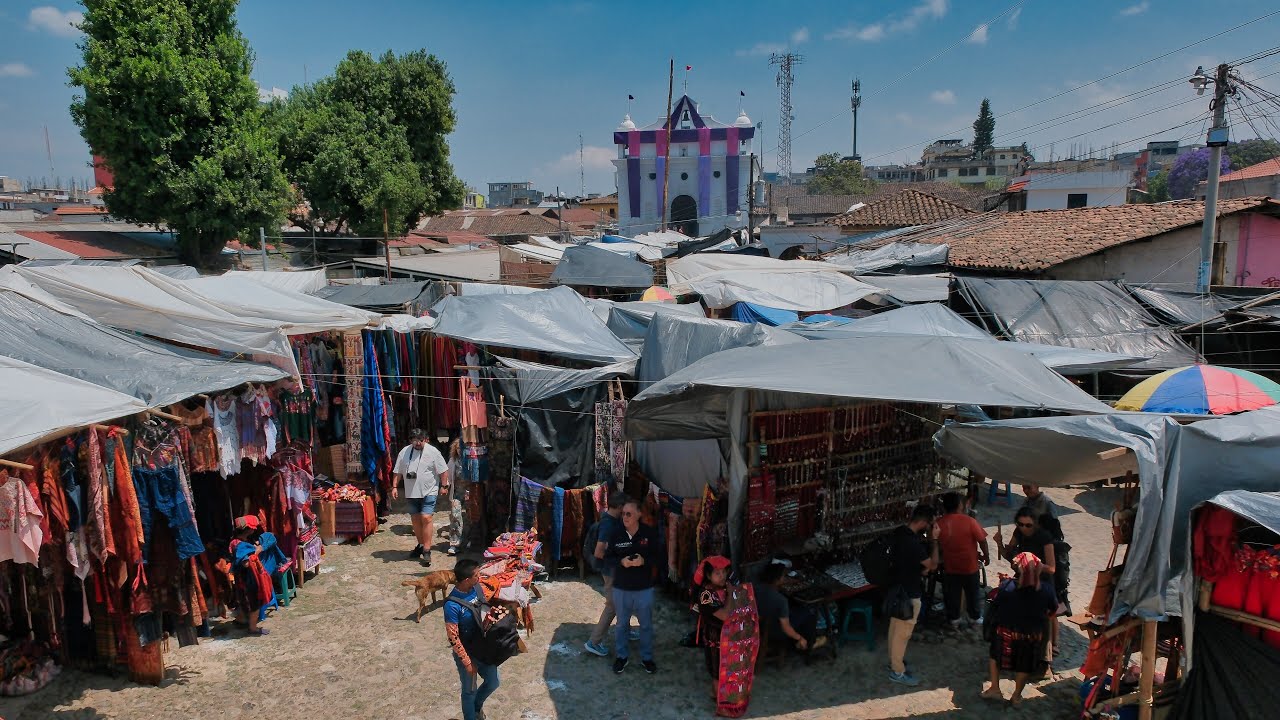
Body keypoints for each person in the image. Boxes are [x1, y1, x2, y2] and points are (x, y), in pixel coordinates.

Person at [981, 552, 1058, 706]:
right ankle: (1016, 696)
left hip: (1006, 633)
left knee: (995, 657)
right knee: (1025, 665)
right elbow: (1053, 610)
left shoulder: (1007, 587)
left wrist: (1003, 583)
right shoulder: (1046, 589)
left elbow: (998, 605)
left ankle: (995, 689)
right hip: (1031, 635)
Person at [605, 498, 660, 675]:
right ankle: (622, 657)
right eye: (623, 514)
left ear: (639, 515)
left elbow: (659, 558)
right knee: (621, 625)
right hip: (621, 588)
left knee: (645, 625)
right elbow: (607, 558)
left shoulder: (649, 533)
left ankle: (647, 658)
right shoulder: (615, 533)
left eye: (629, 514)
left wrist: (644, 561)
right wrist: (621, 561)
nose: (625, 517)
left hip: (644, 588)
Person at [886, 504, 939, 686]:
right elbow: (932, 565)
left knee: (894, 630)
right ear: (924, 522)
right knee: (903, 634)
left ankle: (894, 662)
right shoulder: (914, 544)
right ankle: (897, 671)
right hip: (910, 593)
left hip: (896, 589)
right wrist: (935, 541)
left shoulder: (900, 533)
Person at [444, 559, 500, 720]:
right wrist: (467, 662)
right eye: (477, 575)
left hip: (482, 648)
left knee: (493, 681)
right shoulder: (451, 605)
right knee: (469, 690)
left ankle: (476, 706)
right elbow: (453, 636)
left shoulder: (477, 588)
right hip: (467, 653)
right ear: (467, 580)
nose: (480, 577)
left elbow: (482, 610)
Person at [585, 491, 634, 657]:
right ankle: (594, 642)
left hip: (616, 570)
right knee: (612, 606)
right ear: (619, 507)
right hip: (611, 571)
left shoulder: (612, 520)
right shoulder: (608, 524)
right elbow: (599, 552)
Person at [392, 429, 449, 566]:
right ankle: (420, 544)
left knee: (426, 517)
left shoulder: (433, 452)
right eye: (415, 440)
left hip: (429, 490)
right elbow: (397, 471)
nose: (418, 443)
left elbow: (443, 470)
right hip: (412, 492)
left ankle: (427, 549)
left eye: (420, 440)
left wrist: (444, 486)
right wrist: (394, 486)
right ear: (411, 440)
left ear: (425, 439)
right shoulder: (404, 452)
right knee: (416, 519)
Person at [936, 492, 990, 630]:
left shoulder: (939, 523)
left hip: (950, 566)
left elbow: (935, 543)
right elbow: (982, 540)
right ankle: (974, 618)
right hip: (969, 566)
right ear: (960, 505)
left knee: (952, 595)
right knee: (973, 594)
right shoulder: (969, 521)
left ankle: (954, 619)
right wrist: (986, 555)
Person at [754, 562, 817, 655]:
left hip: (758, 626)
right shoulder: (780, 600)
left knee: (797, 610)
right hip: (774, 631)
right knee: (809, 613)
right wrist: (799, 638)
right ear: (777, 580)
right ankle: (806, 645)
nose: (784, 578)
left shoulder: (756, 588)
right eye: (783, 577)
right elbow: (785, 628)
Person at [229, 515, 274, 636]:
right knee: (254, 604)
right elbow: (245, 563)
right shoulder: (240, 546)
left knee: (245, 601)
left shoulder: (235, 542)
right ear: (248, 530)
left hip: (241, 579)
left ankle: (241, 620)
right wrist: (256, 553)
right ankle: (253, 628)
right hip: (247, 580)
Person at [694, 556, 732, 681]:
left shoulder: (723, 588)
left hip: (725, 634)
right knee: (717, 668)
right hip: (715, 636)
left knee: (726, 666)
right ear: (709, 576)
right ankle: (716, 694)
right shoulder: (706, 595)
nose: (722, 576)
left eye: (723, 572)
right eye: (717, 573)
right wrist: (731, 595)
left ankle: (719, 693)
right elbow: (725, 615)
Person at [445, 440, 464, 556]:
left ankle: (469, 540)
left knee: (472, 518)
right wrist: (445, 486)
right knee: (455, 516)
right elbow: (447, 476)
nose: (460, 451)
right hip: (457, 494)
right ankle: (454, 543)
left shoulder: (470, 461)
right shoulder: (453, 461)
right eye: (458, 449)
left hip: (470, 494)